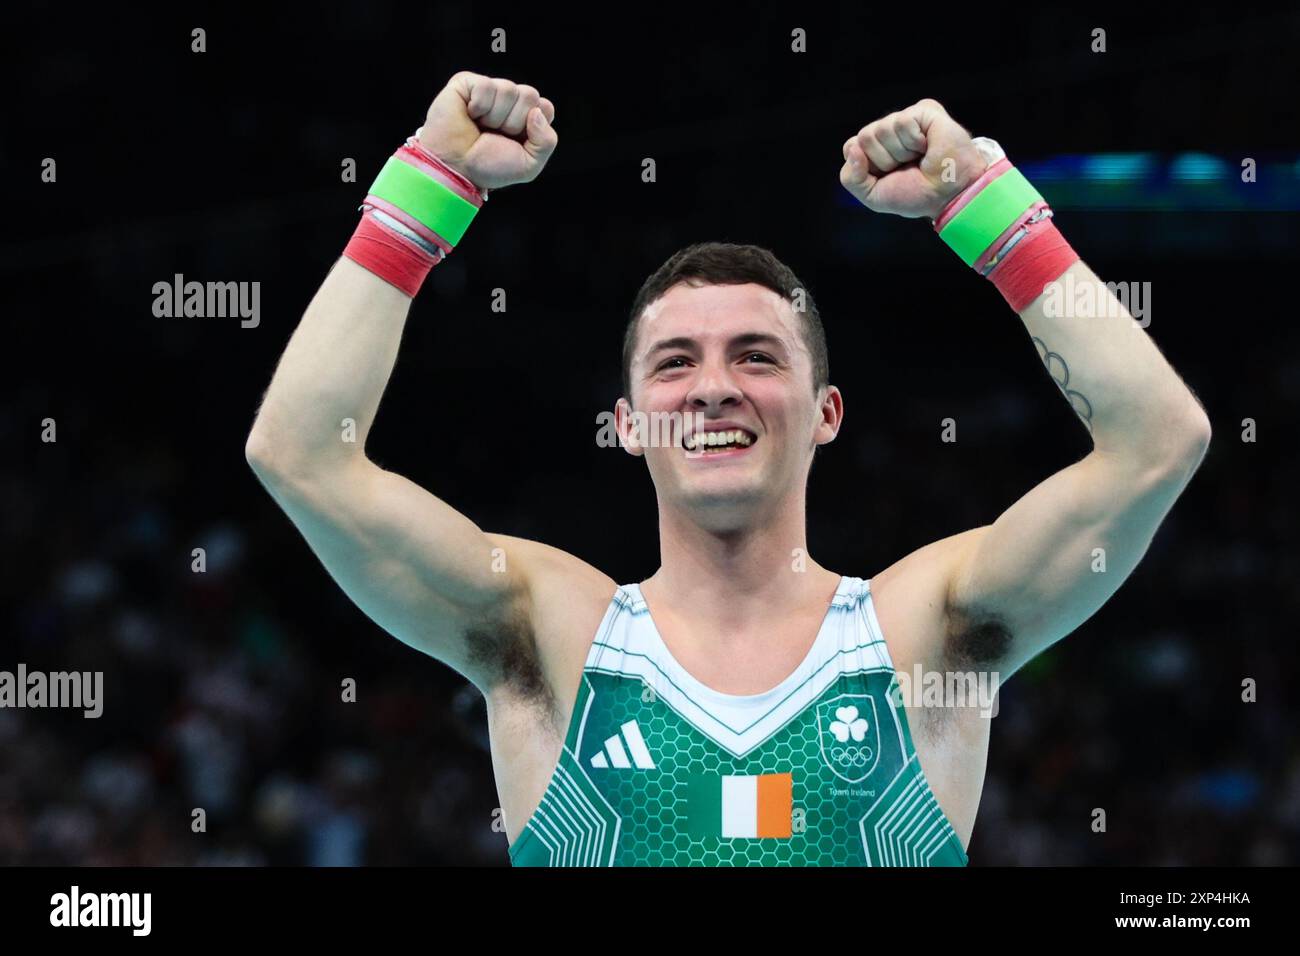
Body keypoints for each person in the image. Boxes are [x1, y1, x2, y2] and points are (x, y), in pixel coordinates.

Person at [245, 72, 1211, 865]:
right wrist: (429, 181)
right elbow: (298, 456)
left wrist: (980, 200)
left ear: (827, 414)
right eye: (675, 363)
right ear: (625, 425)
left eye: (756, 356)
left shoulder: (926, 633)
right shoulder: (546, 633)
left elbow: (1158, 441)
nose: (714, 390)